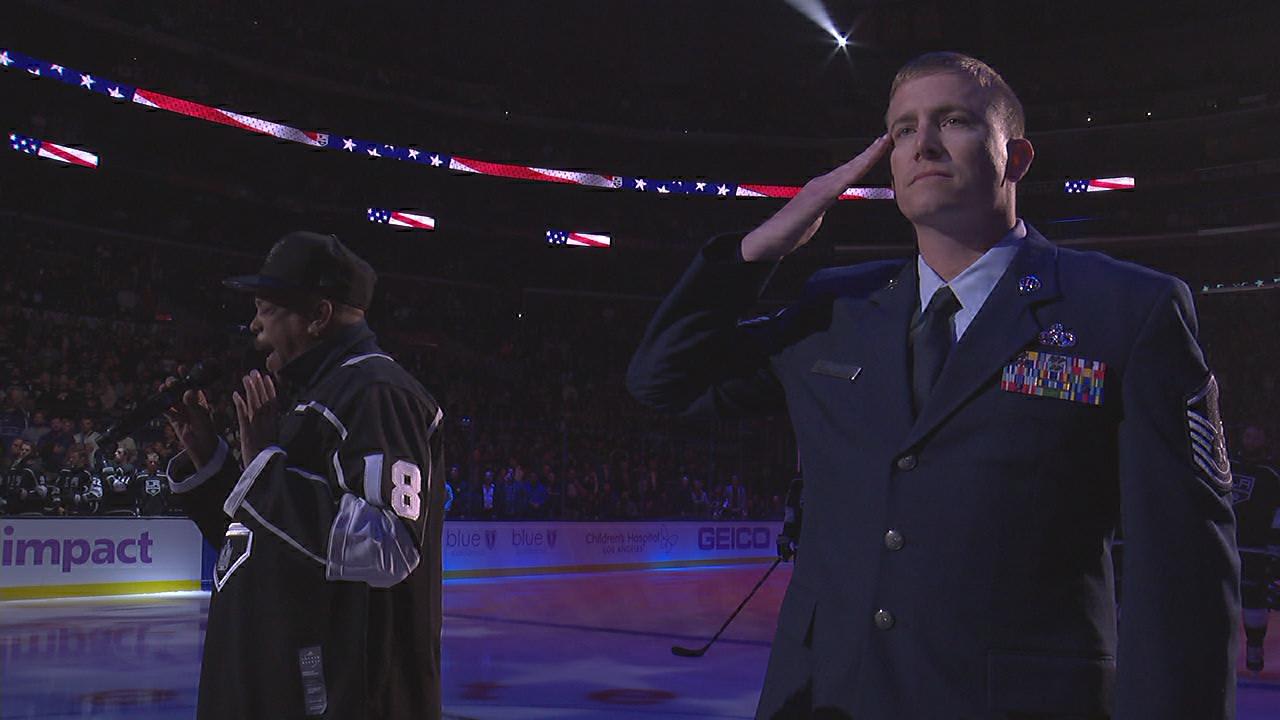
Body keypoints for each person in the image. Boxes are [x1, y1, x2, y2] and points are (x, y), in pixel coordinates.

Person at [628, 52, 1239, 718]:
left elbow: (1185, 576)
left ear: (1018, 157)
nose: (923, 142)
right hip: (825, 700)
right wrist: (755, 252)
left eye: (954, 121)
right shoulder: (836, 311)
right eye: (903, 130)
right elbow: (665, 380)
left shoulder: (1124, 311)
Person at [163, 231, 445, 720]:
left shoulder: (377, 390)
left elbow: (389, 546)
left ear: (318, 316)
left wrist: (266, 469)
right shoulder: (321, 391)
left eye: (266, 309)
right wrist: (213, 462)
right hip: (285, 680)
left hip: (339, 694)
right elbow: (269, 541)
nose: (253, 325)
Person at [1230, 425, 1280, 672]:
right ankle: (1221, 655)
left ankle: (1254, 653)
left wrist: (1273, 544)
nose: (1251, 440)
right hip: (1228, 543)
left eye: (1256, 435)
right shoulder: (1229, 466)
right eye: (1248, 435)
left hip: (1257, 548)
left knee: (1254, 600)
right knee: (1220, 597)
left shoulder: (1271, 475)